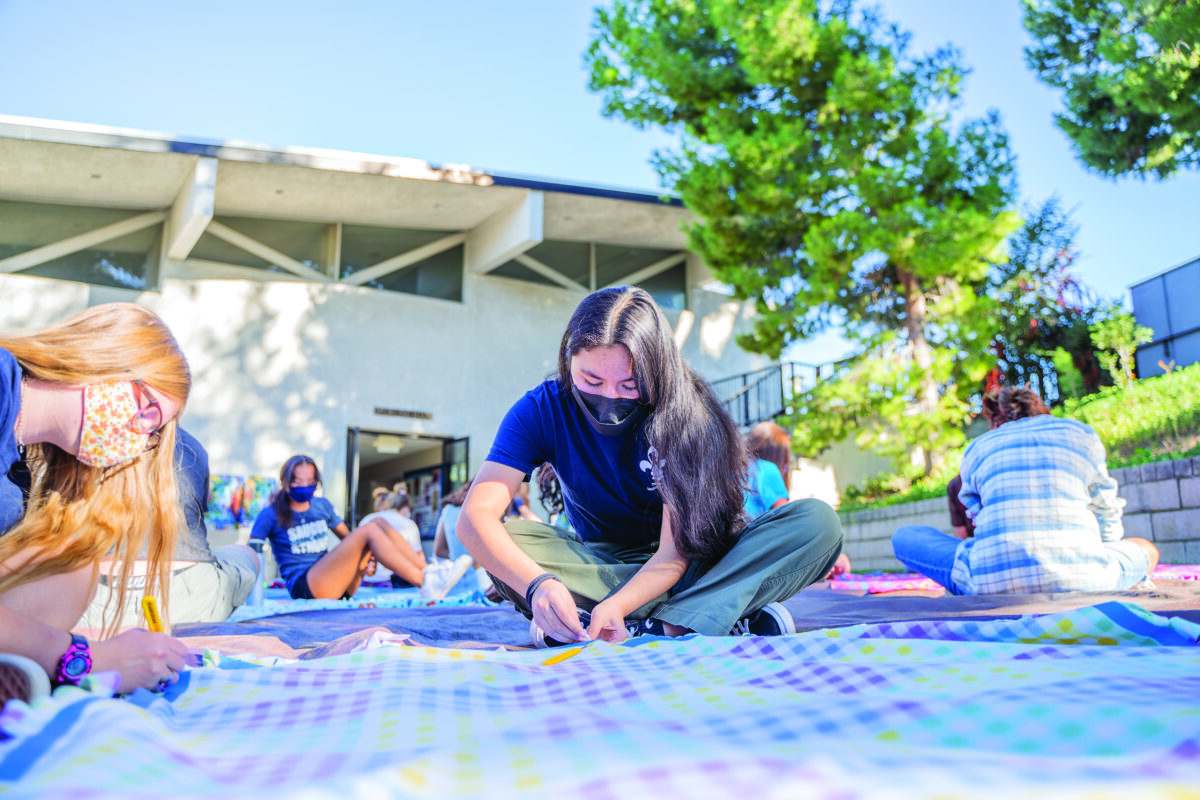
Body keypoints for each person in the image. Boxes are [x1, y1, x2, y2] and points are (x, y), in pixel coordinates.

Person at [457, 286, 844, 648]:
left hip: (695, 562)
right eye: (591, 380)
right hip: (602, 565)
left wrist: (618, 605)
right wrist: (538, 584)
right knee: (507, 543)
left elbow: (673, 555)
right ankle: (718, 612)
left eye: (629, 385)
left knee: (817, 523)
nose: (609, 399)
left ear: (657, 370)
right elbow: (475, 517)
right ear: (568, 360)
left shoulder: (687, 414)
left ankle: (656, 624)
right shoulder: (541, 409)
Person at [0, 303, 192, 698]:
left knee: (72, 557)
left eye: (153, 432)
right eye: (148, 410)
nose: (139, 438)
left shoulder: (17, 472)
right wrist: (87, 659)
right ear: (104, 357)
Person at [891, 385, 1160, 594]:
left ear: (995, 420)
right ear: (1042, 410)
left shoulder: (978, 448)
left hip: (987, 584)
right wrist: (1103, 554)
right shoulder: (1081, 433)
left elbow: (977, 520)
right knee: (1145, 548)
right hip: (1089, 580)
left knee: (905, 536)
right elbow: (1106, 508)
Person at [77, 428, 260, 628]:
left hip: (95, 600)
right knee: (248, 553)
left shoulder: (88, 439)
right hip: (189, 598)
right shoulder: (191, 446)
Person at [250, 456, 457, 600]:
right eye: (298, 481)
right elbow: (252, 552)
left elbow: (349, 539)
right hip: (306, 586)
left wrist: (368, 558)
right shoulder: (270, 514)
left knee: (377, 523)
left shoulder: (322, 506)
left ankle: (428, 572)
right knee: (369, 530)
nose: (305, 486)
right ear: (286, 482)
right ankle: (425, 583)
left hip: (336, 582)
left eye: (310, 481)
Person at [744, 421, 850, 579]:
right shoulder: (767, 469)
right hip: (755, 552)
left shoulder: (736, 471)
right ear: (777, 454)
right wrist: (829, 555)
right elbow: (790, 522)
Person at [360, 490, 424, 584]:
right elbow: (419, 557)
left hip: (365, 580)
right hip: (393, 582)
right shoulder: (408, 523)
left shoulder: (367, 519)